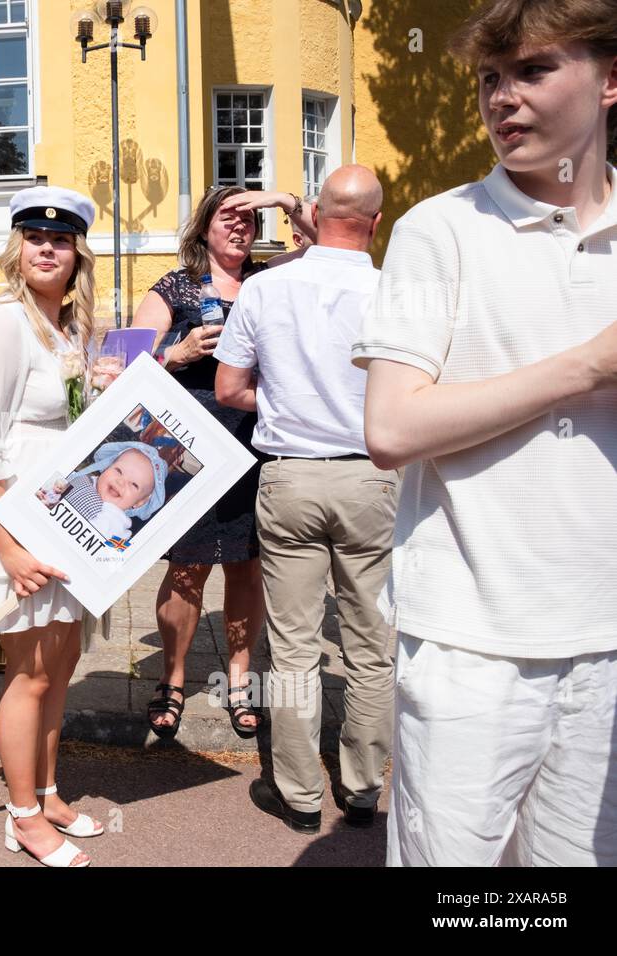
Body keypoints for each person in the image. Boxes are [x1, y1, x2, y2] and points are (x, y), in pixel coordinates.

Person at [353, 0, 617, 866]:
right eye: (488, 79)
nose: (502, 97)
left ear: (610, 81)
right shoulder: (441, 228)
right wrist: (586, 368)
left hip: (608, 640)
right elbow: (391, 426)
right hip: (472, 643)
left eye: (533, 70)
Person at [213, 165, 395, 835]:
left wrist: (291, 406)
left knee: (292, 646)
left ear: (315, 212)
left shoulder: (265, 287)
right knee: (371, 644)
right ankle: (360, 787)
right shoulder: (393, 290)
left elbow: (231, 389)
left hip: (289, 472)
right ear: (375, 222)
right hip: (370, 473)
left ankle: (297, 793)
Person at [0, 185, 102, 867]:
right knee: (31, 673)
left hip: (66, 518)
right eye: (36, 238)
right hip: (16, 522)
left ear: (76, 255)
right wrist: (9, 549)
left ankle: (46, 790)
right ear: (18, 248)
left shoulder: (65, 325)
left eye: (62, 239)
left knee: (61, 666)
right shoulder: (3, 322)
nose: (48, 248)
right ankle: (22, 818)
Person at [130, 186, 313, 740]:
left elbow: (331, 238)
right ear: (203, 228)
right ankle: (174, 678)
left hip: (256, 440)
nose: (239, 226)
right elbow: (120, 362)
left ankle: (239, 678)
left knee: (246, 563)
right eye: (226, 217)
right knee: (187, 567)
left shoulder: (267, 280)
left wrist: (279, 199)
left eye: (247, 219)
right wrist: (176, 355)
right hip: (189, 446)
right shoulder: (175, 287)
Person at [58, 443, 166, 543]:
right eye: (118, 471)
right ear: (106, 467)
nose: (121, 482)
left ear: (140, 502)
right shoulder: (80, 477)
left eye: (134, 484)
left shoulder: (117, 523)